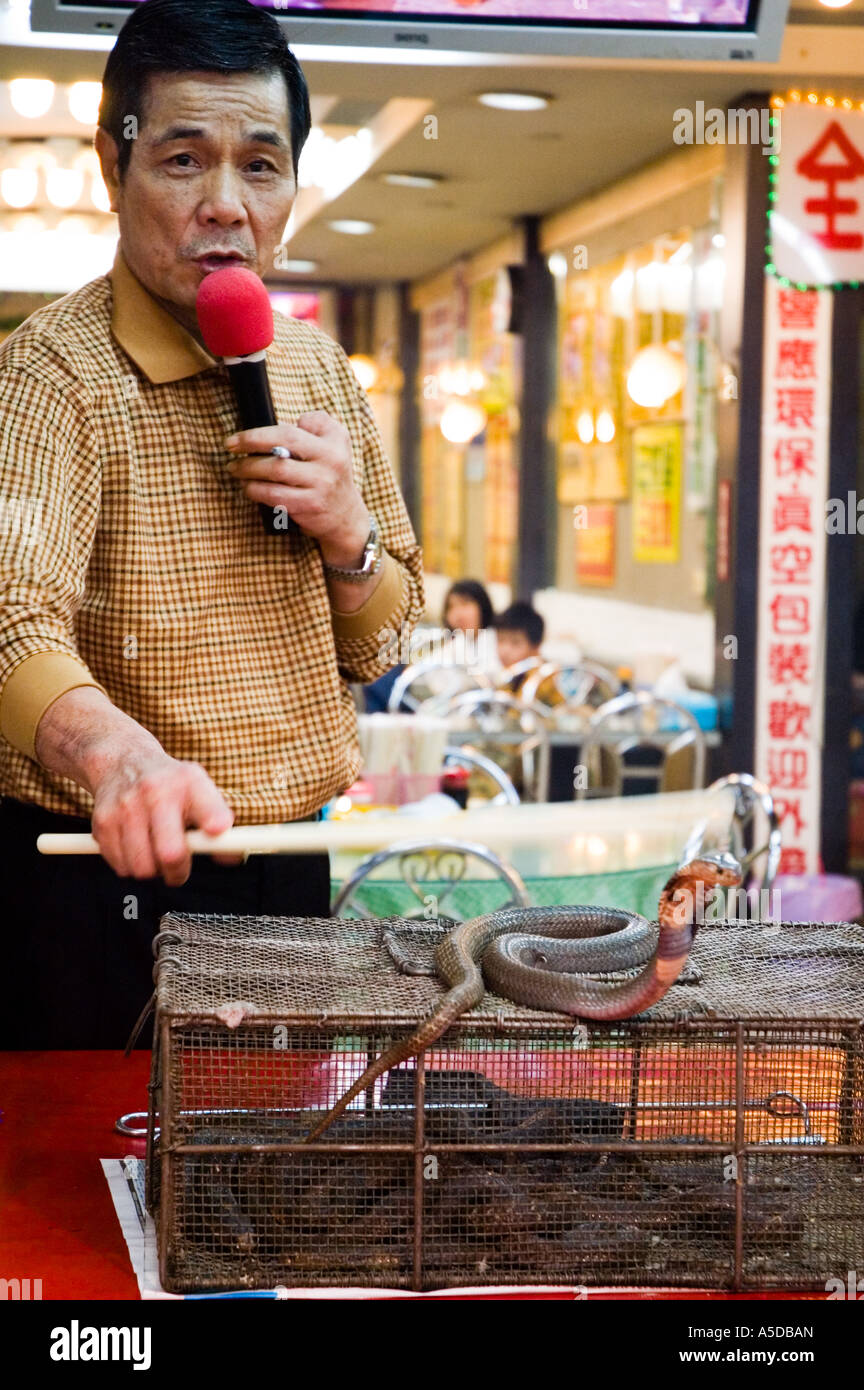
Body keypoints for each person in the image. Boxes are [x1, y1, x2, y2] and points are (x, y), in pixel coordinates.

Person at [0, 0, 423, 1048]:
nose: (225, 205)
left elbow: (389, 637)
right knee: (93, 1181)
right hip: (99, 870)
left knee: (272, 1178)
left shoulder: (320, 368)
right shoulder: (53, 372)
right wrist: (113, 754)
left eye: (261, 167)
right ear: (115, 166)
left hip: (288, 859)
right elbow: (10, 610)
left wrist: (348, 538)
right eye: (184, 160)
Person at [492, 601, 546, 692]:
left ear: (536, 647)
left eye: (515, 643)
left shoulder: (544, 682)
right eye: (500, 640)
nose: (505, 650)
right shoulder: (507, 679)